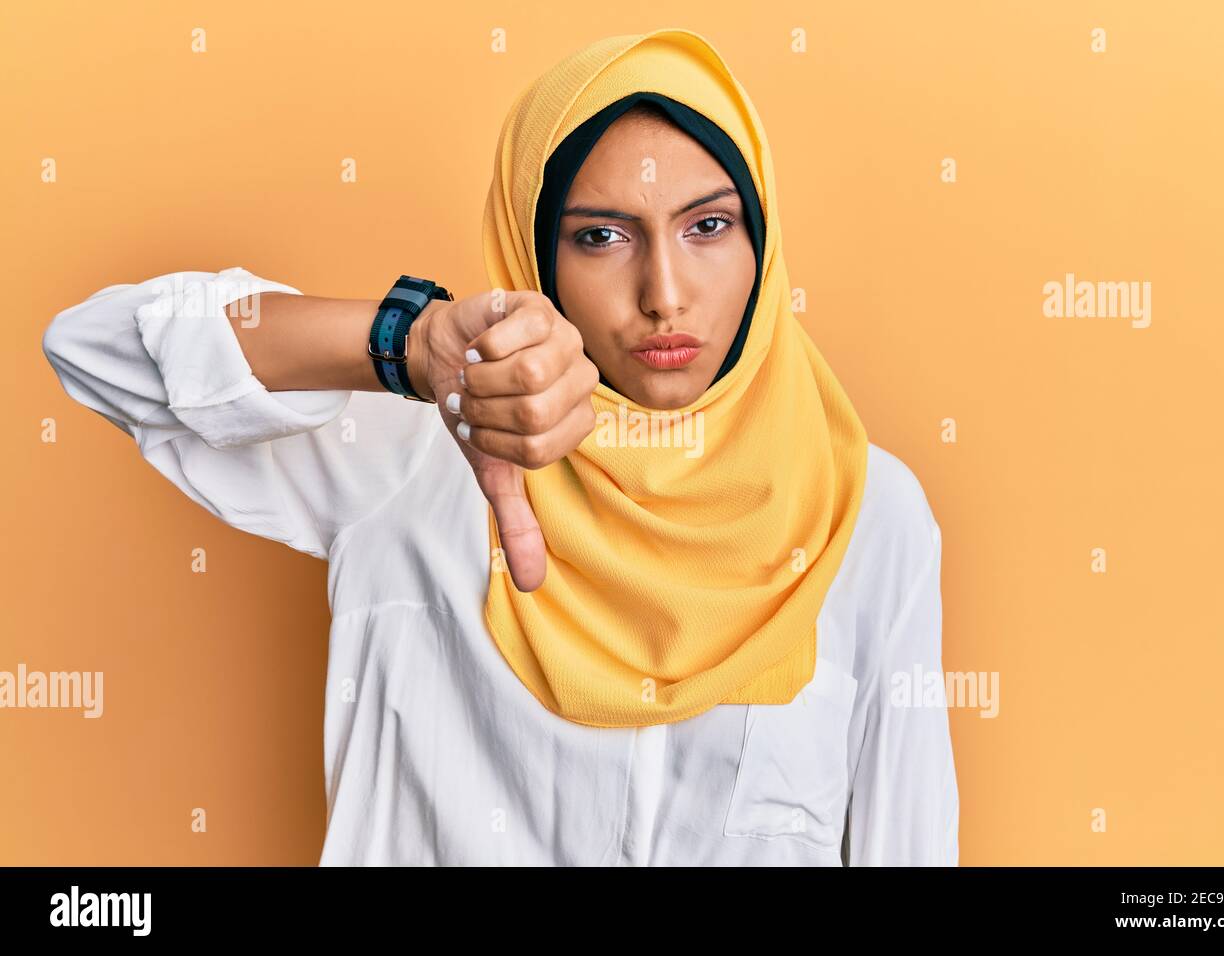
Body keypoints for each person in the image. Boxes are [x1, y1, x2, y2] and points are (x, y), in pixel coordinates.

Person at [41, 27, 958, 865]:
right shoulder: (416, 453)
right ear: (533, 252)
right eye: (600, 236)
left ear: (764, 242)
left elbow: (906, 844)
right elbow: (97, 346)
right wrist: (407, 344)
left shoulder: (863, 514)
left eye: (708, 226)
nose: (664, 293)